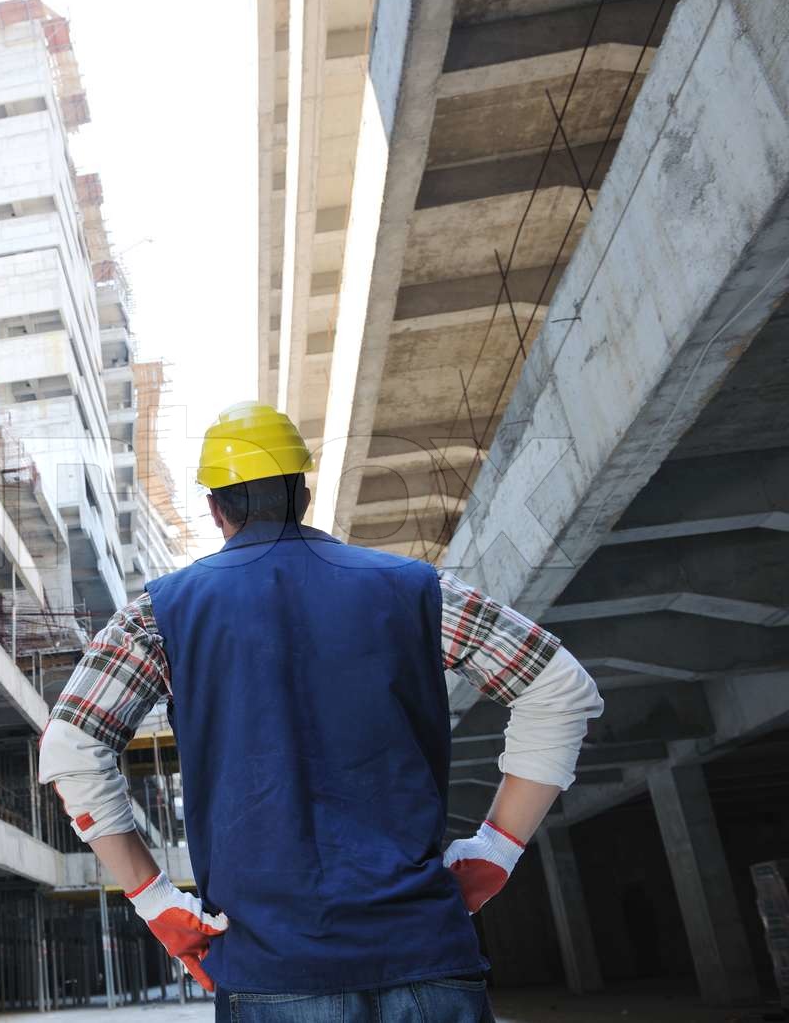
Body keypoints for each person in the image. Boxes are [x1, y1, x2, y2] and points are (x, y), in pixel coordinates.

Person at [39, 402, 603, 1022]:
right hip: (427, 955)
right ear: (303, 494)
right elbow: (559, 688)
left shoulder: (158, 616)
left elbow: (72, 749)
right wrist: (496, 849)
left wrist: (155, 901)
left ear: (215, 509)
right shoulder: (420, 591)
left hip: (272, 966)